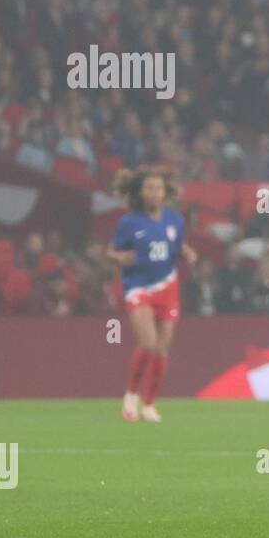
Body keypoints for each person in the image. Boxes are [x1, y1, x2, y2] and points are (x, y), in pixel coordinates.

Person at [107, 167, 196, 422]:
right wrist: (119, 257)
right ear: (140, 192)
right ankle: (131, 395)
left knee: (162, 349)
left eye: (158, 188)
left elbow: (178, 245)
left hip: (168, 286)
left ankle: (149, 404)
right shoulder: (129, 222)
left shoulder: (174, 219)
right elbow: (109, 251)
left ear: (165, 192)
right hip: (139, 287)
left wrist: (187, 253)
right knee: (148, 343)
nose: (154, 192)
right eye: (149, 188)